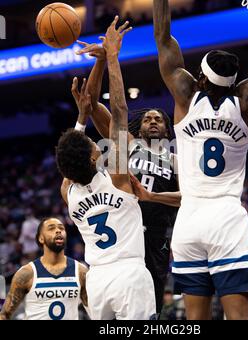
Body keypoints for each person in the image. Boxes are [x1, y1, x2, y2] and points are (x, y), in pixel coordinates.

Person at [153, 0, 248, 319]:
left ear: (200, 77)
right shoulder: (244, 101)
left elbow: (163, 38)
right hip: (227, 218)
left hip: (189, 220)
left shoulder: (185, 94)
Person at [56, 17, 156, 320]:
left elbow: (68, 166)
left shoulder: (69, 194)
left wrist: (82, 117)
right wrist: (112, 56)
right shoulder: (117, 178)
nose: (96, 146)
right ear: (91, 158)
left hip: (97, 280)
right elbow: (121, 111)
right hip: (129, 274)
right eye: (92, 147)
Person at [73, 39, 181, 315]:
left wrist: (153, 196)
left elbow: (189, 198)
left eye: (159, 119)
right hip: (123, 233)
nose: (153, 121)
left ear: (167, 132)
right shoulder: (127, 144)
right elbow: (93, 102)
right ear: (140, 127)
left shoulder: (176, 161)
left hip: (155, 237)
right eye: (148, 119)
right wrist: (100, 62)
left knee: (151, 310)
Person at [0, 217, 88, 320]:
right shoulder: (26, 273)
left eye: (61, 228)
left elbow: (94, 311)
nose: (58, 230)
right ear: (41, 238)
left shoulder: (80, 271)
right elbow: (4, 315)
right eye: (51, 228)